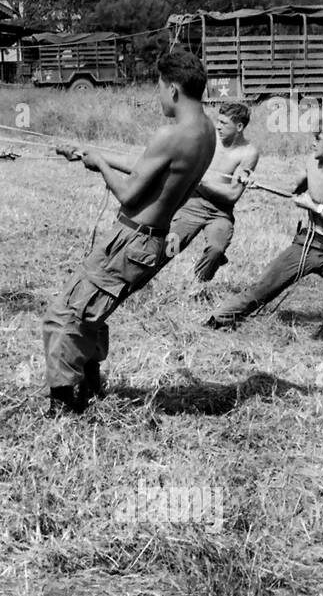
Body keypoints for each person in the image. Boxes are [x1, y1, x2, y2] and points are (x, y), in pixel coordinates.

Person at [44, 50, 215, 418]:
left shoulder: (171, 134)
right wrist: (93, 156)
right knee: (90, 312)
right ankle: (88, 387)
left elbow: (128, 193)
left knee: (64, 315)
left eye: (158, 88)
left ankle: (63, 406)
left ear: (172, 89)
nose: (157, 96)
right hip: (150, 240)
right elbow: (148, 171)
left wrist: (102, 164)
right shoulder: (206, 130)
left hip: (131, 239)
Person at [205, 118, 323, 340]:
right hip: (306, 243)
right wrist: (253, 180)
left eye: (318, 139)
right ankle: (216, 320)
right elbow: (290, 188)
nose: (312, 143)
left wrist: (315, 207)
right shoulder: (312, 163)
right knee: (262, 287)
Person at [165, 102, 260, 296]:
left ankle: (197, 287)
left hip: (220, 212)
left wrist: (201, 180)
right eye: (218, 121)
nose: (218, 126)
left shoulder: (248, 152)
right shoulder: (208, 138)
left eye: (224, 123)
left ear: (239, 127)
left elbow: (232, 195)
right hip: (192, 204)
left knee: (216, 249)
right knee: (170, 247)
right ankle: (151, 276)